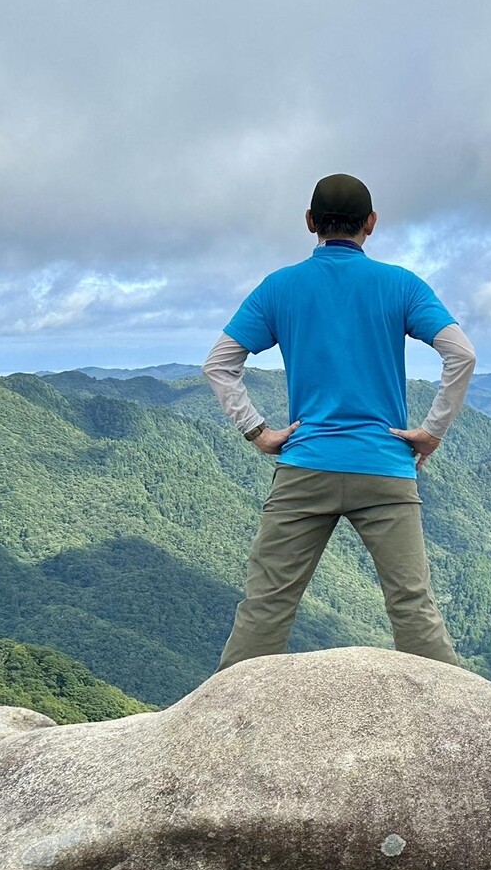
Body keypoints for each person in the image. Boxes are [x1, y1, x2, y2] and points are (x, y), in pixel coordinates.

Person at [203, 172, 475, 671]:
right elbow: (461, 355)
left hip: (305, 464)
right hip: (386, 467)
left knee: (265, 607)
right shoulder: (400, 285)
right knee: (413, 609)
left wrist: (258, 432)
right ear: (371, 223)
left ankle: (212, 731)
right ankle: (471, 729)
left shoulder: (279, 288)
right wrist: (432, 431)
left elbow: (218, 364)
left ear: (310, 222)